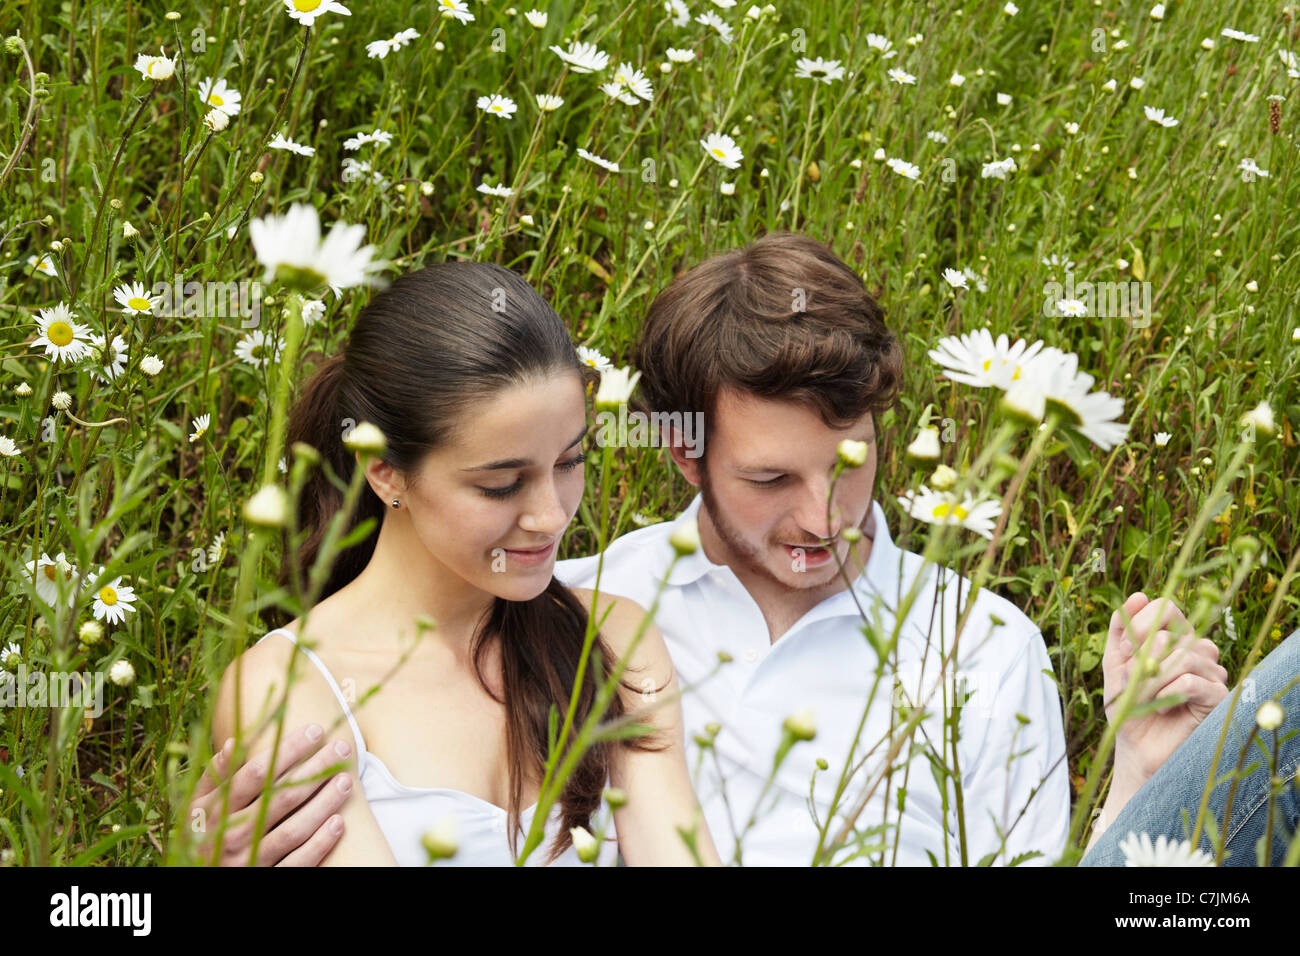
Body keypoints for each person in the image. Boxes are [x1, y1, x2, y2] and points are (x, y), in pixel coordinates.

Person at [195, 233, 1298, 865]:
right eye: (769, 480)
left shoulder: (981, 644)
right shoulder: (594, 595)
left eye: (851, 461)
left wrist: (1138, 786)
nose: (823, 517)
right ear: (682, 456)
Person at [189, 262, 721, 866]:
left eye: (570, 462)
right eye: (501, 483)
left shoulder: (614, 640)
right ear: (387, 472)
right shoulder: (287, 686)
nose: (550, 516)